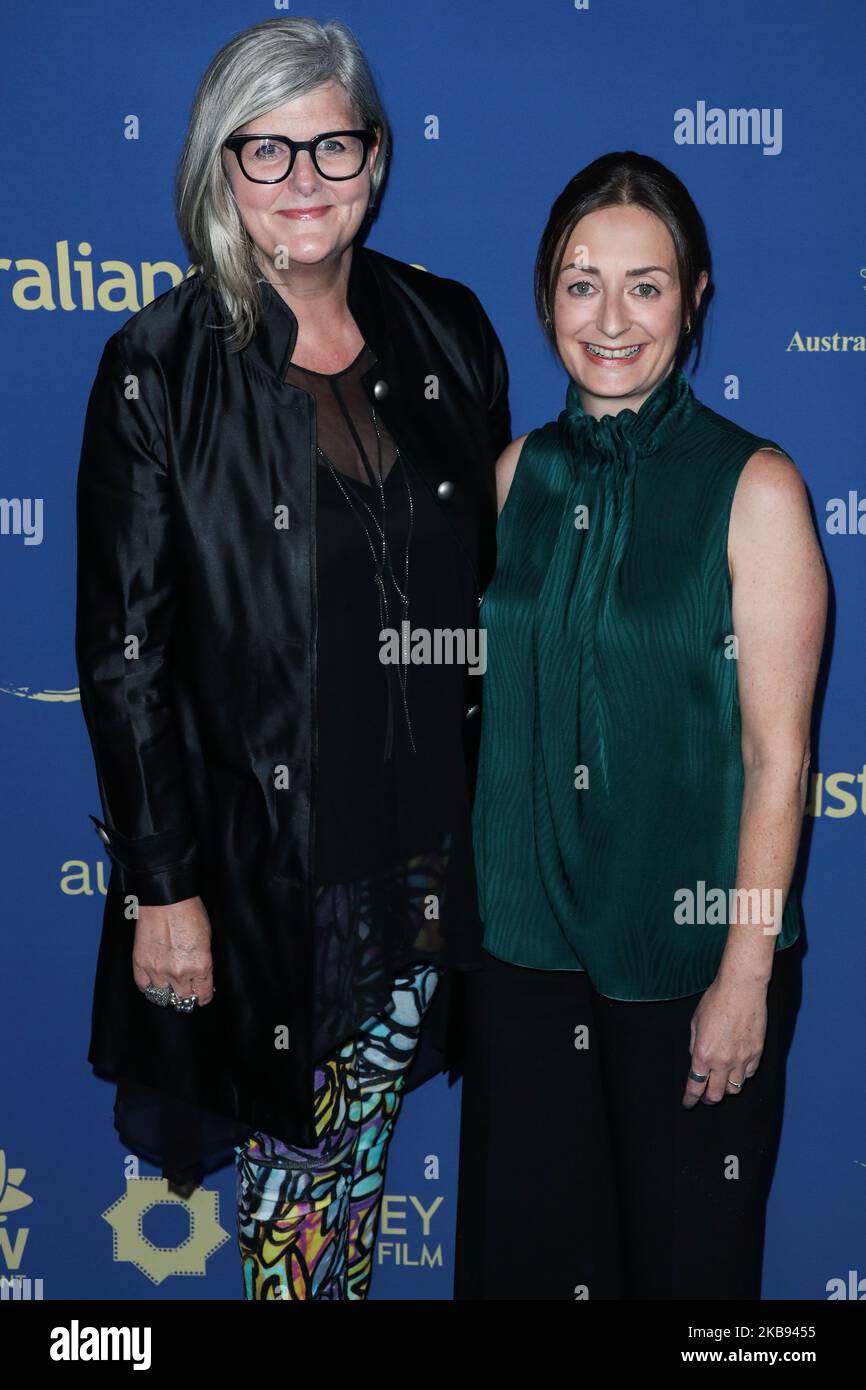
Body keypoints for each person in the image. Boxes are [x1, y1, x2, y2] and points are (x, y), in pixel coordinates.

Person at [75, 15, 510, 1301]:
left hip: (429, 856)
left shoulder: (447, 329)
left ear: (376, 162)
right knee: (297, 1207)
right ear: (221, 171)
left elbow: (496, 581)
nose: (303, 179)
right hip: (272, 878)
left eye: (330, 144)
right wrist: (164, 886)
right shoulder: (157, 367)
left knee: (350, 1174)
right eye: (265, 150)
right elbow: (124, 651)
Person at [454, 151, 827, 1300]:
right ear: (544, 295)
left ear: (695, 295)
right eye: (579, 282)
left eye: (644, 285)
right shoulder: (513, 475)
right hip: (521, 961)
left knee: (683, 1286)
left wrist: (743, 973)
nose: (608, 318)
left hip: (685, 969)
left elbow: (779, 759)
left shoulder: (752, 487)